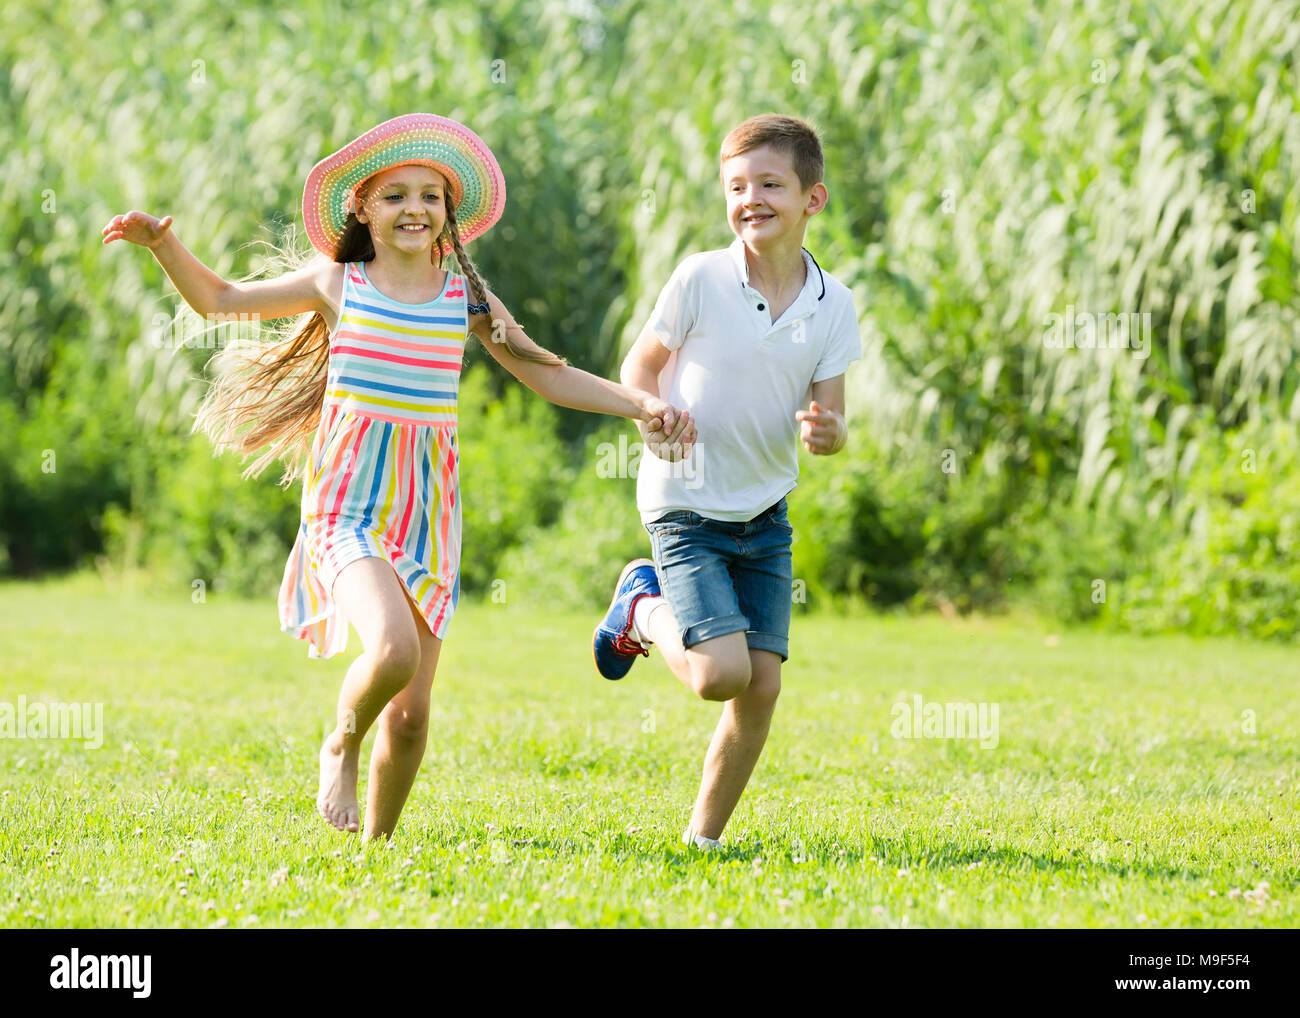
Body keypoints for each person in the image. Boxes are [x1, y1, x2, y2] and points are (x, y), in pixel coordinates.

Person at [102, 113, 694, 841]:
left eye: (430, 196)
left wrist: (637, 402)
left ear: (449, 215)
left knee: (412, 715)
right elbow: (220, 301)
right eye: (395, 196)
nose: (414, 208)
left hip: (428, 512)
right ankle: (339, 744)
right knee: (390, 650)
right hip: (347, 504)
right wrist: (164, 245)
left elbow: (547, 372)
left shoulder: (462, 299)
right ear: (362, 208)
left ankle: (377, 854)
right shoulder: (337, 283)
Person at [592, 113, 861, 850]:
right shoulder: (700, 279)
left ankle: (703, 842)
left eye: (770, 184)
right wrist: (650, 408)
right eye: (736, 186)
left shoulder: (833, 305)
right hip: (685, 502)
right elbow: (639, 365)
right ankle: (642, 607)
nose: (751, 199)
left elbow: (831, 418)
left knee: (762, 686)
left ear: (813, 198)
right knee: (718, 677)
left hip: (764, 512)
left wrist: (828, 432)